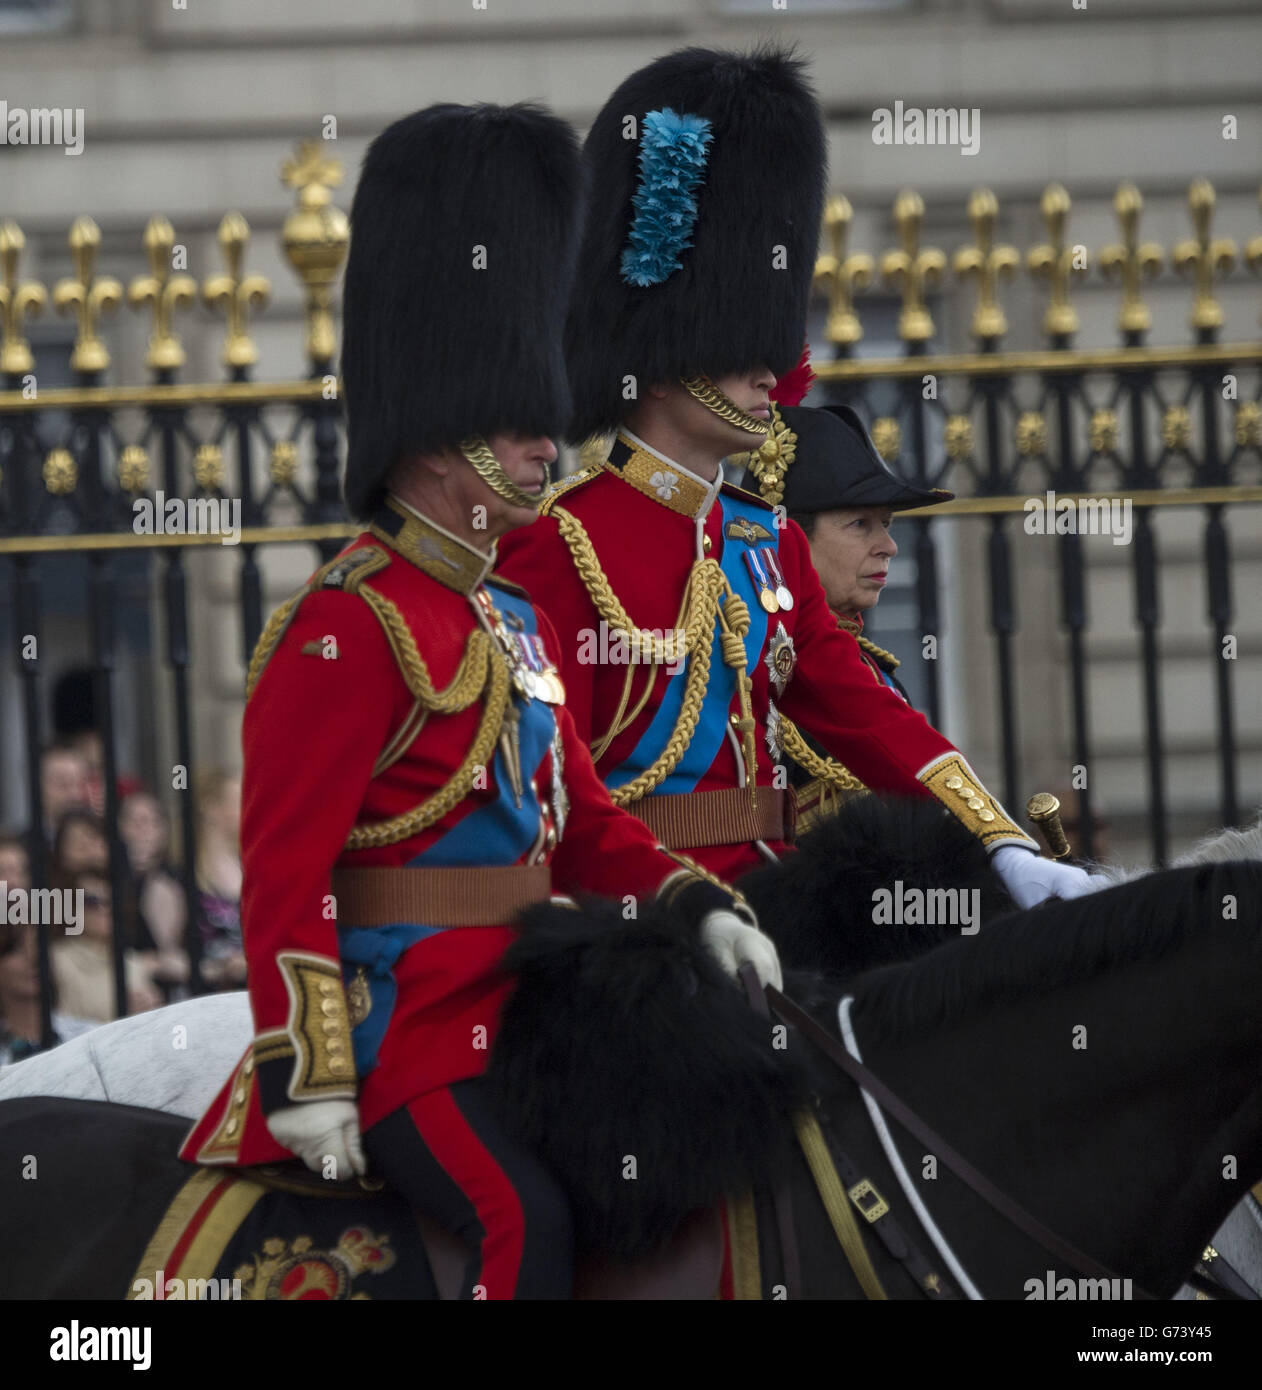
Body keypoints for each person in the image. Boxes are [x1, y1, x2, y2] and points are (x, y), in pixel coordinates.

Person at [178, 101, 779, 1302]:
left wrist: (693, 907)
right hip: (402, 1033)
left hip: (532, 1012)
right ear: (434, 436)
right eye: (514, 425)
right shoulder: (347, 624)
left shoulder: (512, 616)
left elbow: (588, 823)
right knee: (519, 1222)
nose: (543, 444)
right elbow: (284, 874)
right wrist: (312, 1073)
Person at [497, 44, 1092, 911]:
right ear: (658, 361)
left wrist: (997, 842)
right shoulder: (559, 543)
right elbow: (553, 797)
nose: (770, 371)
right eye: (743, 347)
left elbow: (870, 719)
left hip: (778, 906)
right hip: (640, 926)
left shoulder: (765, 543)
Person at [737, 400, 952, 831]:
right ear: (788, 537)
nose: (888, 546)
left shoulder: (875, 671)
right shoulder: (748, 669)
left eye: (887, 523)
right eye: (860, 524)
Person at [49, 867, 161, 1024]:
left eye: (112, 900)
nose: (104, 909)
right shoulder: (55, 958)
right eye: (91, 901)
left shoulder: (132, 962)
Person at [118, 790, 190, 999]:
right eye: (134, 820)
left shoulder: (180, 878)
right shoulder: (112, 880)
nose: (144, 828)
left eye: (152, 821)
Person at [192, 771, 245, 989]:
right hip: (203, 999)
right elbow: (165, 956)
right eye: (239, 800)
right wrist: (215, 967)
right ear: (212, 809)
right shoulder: (183, 876)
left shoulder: (252, 868)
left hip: (249, 996)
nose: (248, 807)